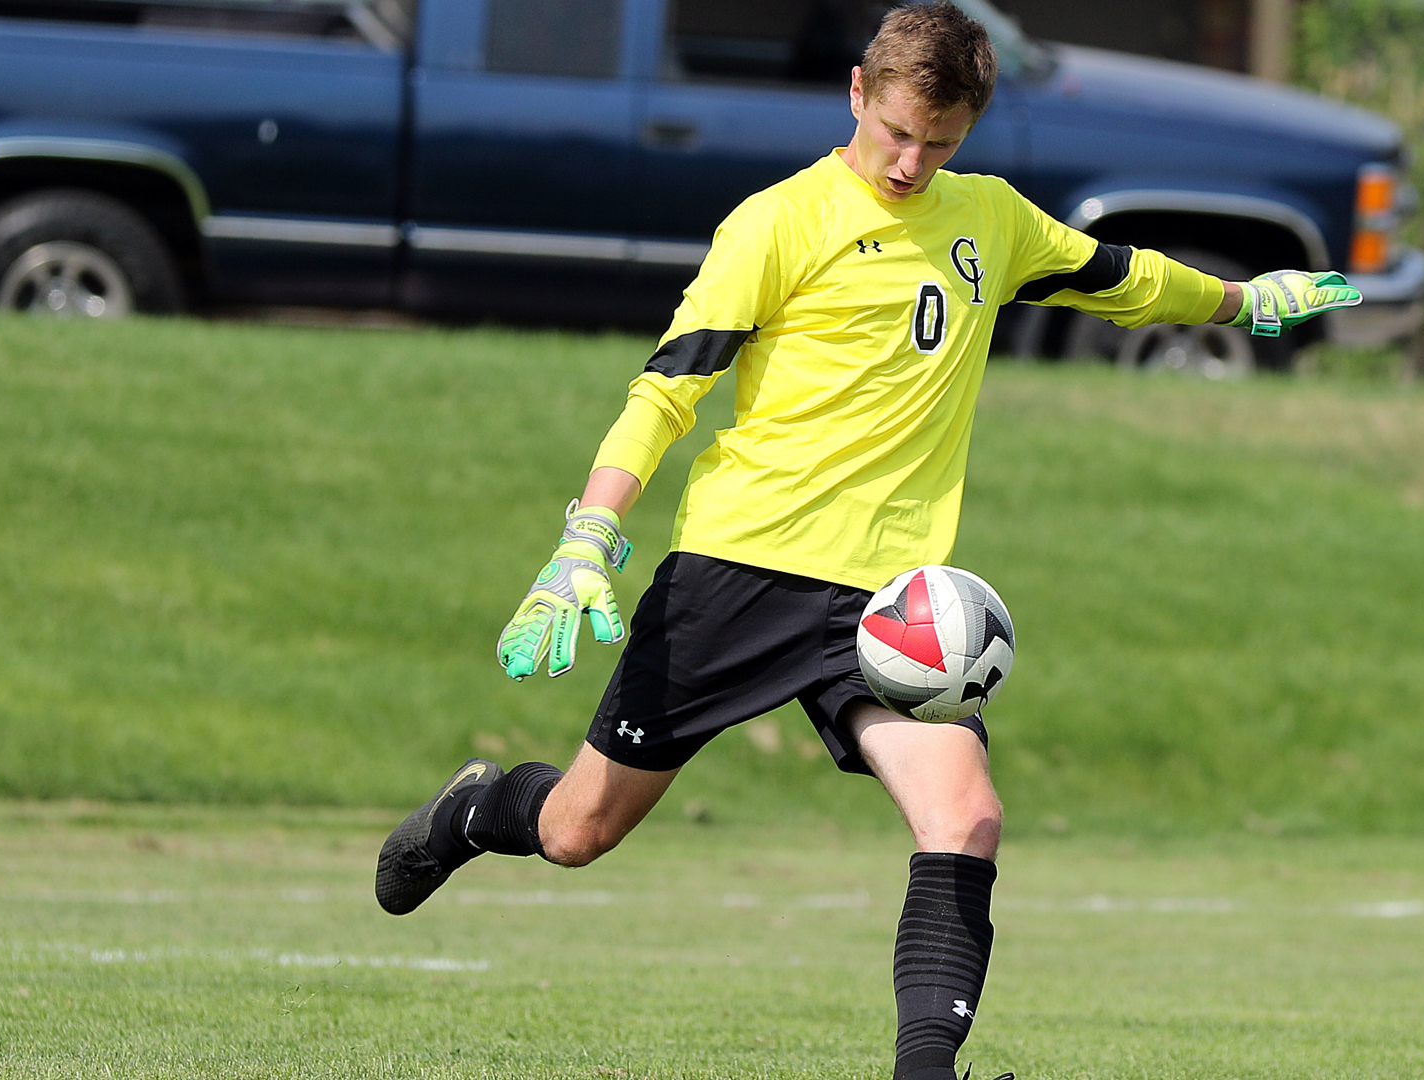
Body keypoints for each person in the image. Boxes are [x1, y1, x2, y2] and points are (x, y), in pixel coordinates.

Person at [375, 5, 1360, 1078]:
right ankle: (475, 809)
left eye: (938, 144)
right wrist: (587, 539)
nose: (909, 161)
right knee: (578, 830)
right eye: (896, 131)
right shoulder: (776, 224)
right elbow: (666, 390)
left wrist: (1245, 300)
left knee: (967, 817)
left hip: (894, 606)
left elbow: (1121, 278)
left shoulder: (991, 220)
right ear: (857, 91)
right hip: (738, 571)